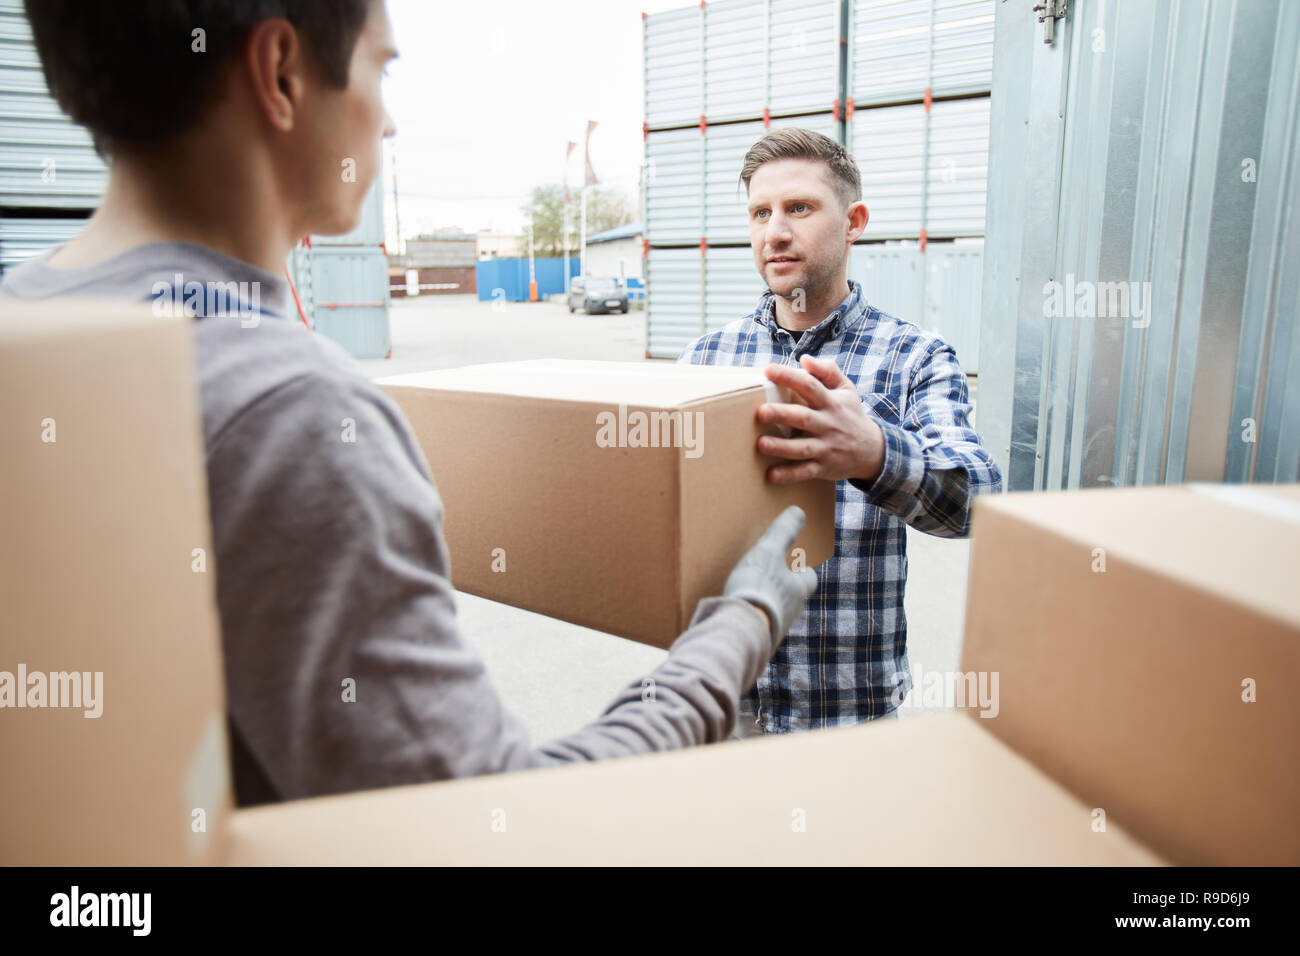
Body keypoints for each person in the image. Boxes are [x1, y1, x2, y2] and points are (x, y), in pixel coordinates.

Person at [1, 0, 816, 805]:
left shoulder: (27, 324)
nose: (387, 126)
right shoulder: (292, 414)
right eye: (381, 70)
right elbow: (485, 819)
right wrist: (740, 623)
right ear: (281, 71)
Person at [677, 128, 1003, 737]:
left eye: (798, 208)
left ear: (854, 221)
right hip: (723, 701)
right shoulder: (705, 356)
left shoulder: (916, 356)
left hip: (848, 711)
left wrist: (874, 454)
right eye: (760, 213)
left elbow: (977, 502)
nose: (774, 231)